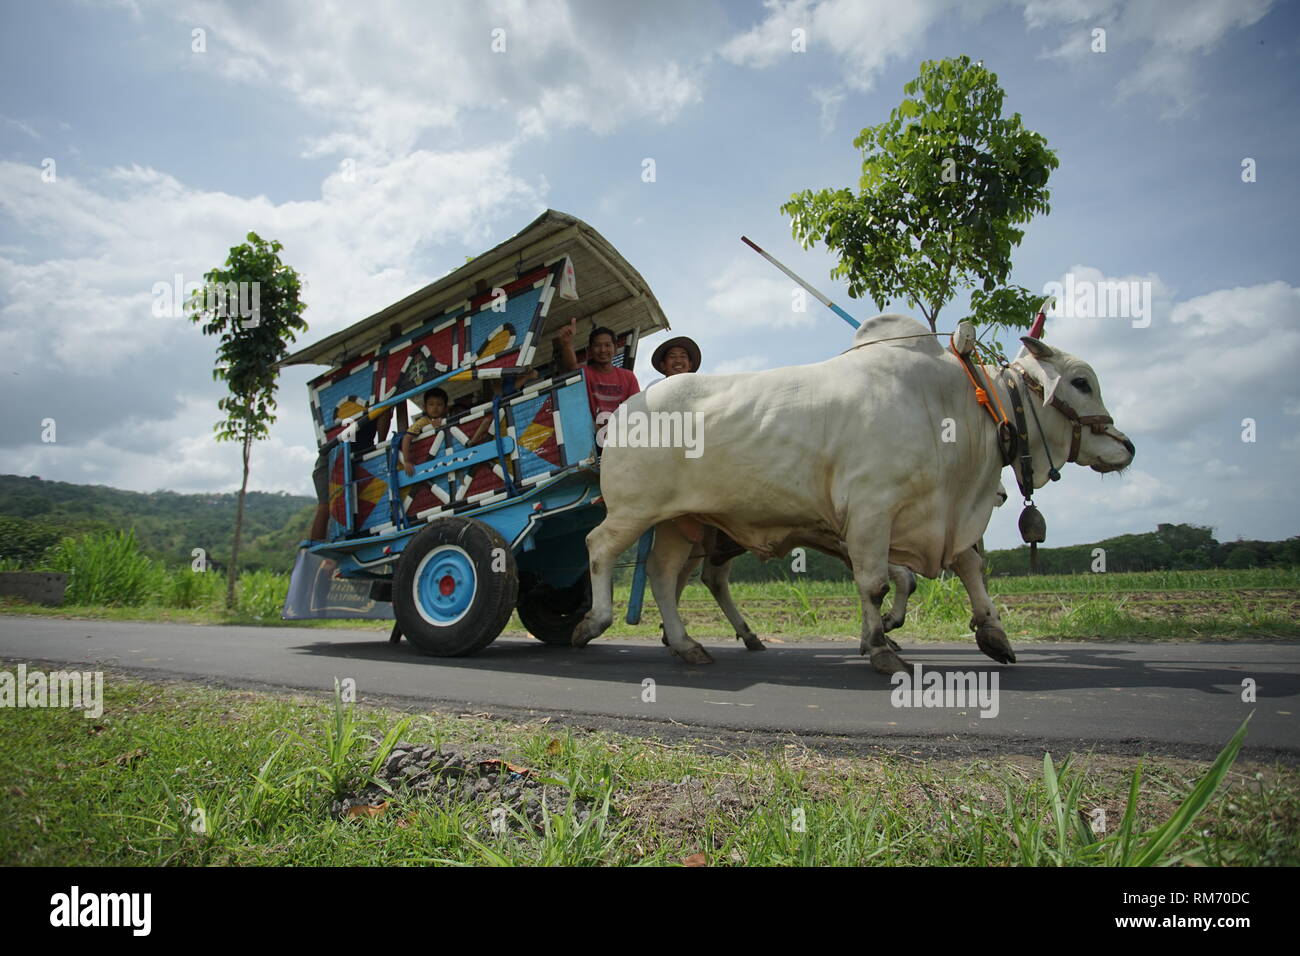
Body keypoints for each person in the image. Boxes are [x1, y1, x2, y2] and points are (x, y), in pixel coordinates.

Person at [309, 402, 393, 541]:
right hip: (335, 455)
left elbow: (386, 412)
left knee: (341, 506)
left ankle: (320, 548)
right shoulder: (377, 399)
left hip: (350, 455)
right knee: (327, 505)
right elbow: (386, 413)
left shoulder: (375, 400)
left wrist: (379, 446)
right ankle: (314, 549)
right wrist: (380, 444)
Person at [554, 319, 639, 419]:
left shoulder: (628, 376)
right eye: (597, 345)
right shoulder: (584, 372)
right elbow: (571, 367)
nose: (603, 350)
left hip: (622, 431)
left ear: (615, 349)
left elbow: (637, 408)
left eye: (607, 345)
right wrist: (567, 342)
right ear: (590, 350)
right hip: (590, 432)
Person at [401, 388, 449, 476]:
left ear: (445, 408)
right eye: (431, 404)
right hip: (425, 462)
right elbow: (407, 438)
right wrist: (406, 461)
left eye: (439, 404)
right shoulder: (422, 422)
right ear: (425, 407)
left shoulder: (446, 419)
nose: (435, 407)